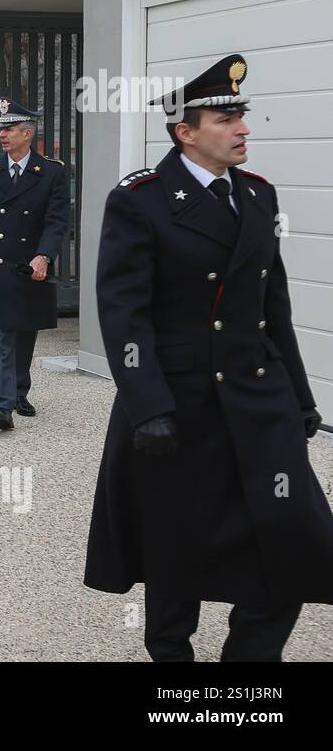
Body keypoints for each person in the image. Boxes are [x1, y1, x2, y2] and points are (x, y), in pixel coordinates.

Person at [84, 53, 333, 661]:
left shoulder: (258, 195)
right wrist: (147, 406)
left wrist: (300, 399)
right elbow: (124, 313)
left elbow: (274, 310)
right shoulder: (140, 201)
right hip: (178, 405)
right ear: (185, 131)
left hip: (257, 398)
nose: (243, 127)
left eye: (241, 115)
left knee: (297, 538)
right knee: (175, 551)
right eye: (226, 117)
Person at [0, 99, 70, 431]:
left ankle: (19, 391)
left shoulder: (52, 172)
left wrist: (44, 255)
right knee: (2, 334)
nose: (2, 134)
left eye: (8, 129)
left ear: (28, 133)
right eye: (0, 129)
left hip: (31, 265)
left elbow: (57, 221)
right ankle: (3, 405)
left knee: (25, 333)